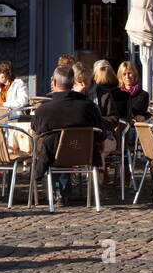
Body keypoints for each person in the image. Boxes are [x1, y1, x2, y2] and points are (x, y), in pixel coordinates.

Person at [31, 65, 104, 206]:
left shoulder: (44, 110)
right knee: (55, 144)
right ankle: (63, 193)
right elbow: (101, 133)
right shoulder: (88, 107)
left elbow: (36, 130)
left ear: (54, 83)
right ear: (73, 83)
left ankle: (55, 193)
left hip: (53, 156)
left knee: (48, 144)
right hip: (84, 154)